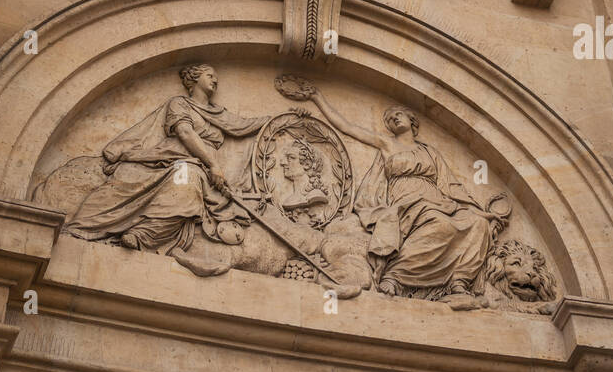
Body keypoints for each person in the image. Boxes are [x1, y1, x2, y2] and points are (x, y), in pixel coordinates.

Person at [298, 86, 508, 305]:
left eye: (398, 114)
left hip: (438, 199)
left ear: (412, 119)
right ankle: (396, 276)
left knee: (478, 224)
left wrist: (480, 211)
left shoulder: (430, 152)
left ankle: (459, 281)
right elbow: (347, 127)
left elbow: (451, 185)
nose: (393, 119)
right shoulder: (387, 143)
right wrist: (317, 98)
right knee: (438, 224)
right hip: (408, 201)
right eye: (389, 119)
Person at [65, 63, 267, 254]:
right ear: (195, 79)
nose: (216, 80)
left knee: (188, 182)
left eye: (216, 77)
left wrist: (286, 118)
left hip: (198, 166)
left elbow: (244, 126)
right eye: (210, 75)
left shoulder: (219, 113)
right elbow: (185, 133)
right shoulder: (179, 104)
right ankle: (85, 225)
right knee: (177, 176)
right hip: (172, 158)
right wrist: (214, 165)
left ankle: (142, 235)